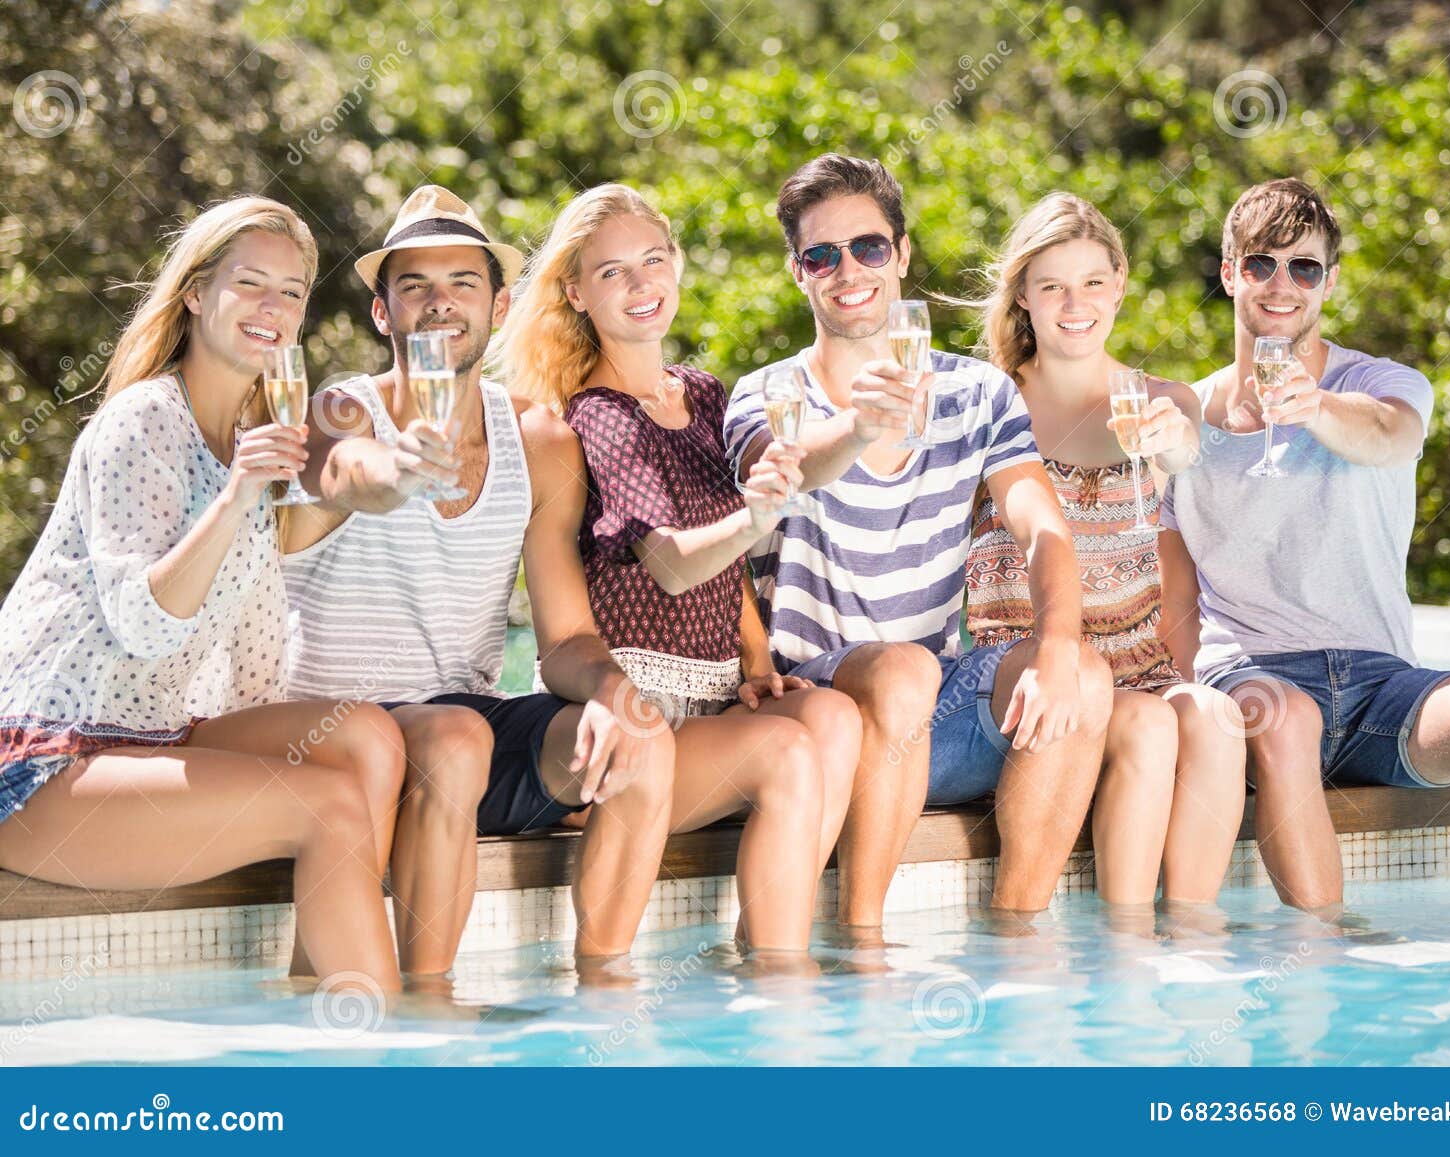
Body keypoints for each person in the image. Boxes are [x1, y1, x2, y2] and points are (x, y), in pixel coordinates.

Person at [0, 197, 405, 991]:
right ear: (194, 291)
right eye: (249, 283)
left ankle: (323, 1006)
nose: (272, 307)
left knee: (370, 740)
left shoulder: (250, 436)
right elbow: (145, 626)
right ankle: (386, 1039)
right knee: (326, 805)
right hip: (42, 763)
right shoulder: (141, 422)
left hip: (152, 738)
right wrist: (236, 495)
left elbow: (254, 650)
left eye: (291, 292)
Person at [282, 186, 676, 969]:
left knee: (642, 730)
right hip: (334, 736)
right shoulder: (341, 413)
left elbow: (565, 637)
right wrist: (394, 472)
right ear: (382, 314)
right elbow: (345, 472)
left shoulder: (537, 437)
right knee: (455, 739)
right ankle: (432, 1009)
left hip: (465, 726)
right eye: (415, 286)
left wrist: (610, 692)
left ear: (498, 307)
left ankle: (604, 992)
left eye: (463, 282)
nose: (440, 302)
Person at [724, 154, 1114, 930]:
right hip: (814, 709)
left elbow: (1043, 528)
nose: (849, 270)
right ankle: (862, 942)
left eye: (869, 247)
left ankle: (1016, 938)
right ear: (798, 272)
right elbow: (784, 473)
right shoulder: (767, 394)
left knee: (1084, 672)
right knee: (903, 669)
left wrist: (1057, 647)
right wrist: (859, 426)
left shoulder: (978, 393)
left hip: (934, 718)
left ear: (900, 254)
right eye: (822, 255)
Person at [1158, 177, 1450, 911]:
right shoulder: (1188, 421)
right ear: (1229, 273)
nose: (1282, 285)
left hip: (1381, 687)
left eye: (1304, 267)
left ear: (1330, 281)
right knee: (1289, 719)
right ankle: (1326, 954)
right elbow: (1175, 593)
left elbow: (1390, 434)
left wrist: (1313, 406)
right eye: (1261, 264)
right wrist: (1192, 708)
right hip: (1254, 682)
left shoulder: (1379, 382)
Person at [490, 184, 862, 952]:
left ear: (677, 265)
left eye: (653, 260)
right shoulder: (593, 415)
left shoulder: (702, 393)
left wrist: (758, 661)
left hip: (715, 701)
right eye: (613, 272)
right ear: (576, 293)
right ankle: (778, 974)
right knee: (790, 753)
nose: (641, 283)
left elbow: (726, 575)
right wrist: (757, 515)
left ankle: (767, 951)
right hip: (633, 715)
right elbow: (671, 563)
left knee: (834, 717)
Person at [961, 192, 1246, 906]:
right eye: (1052, 286)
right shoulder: (987, 403)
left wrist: (1169, 442)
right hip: (1034, 668)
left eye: (1093, 281)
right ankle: (1127, 942)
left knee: (1215, 717)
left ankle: (1194, 933)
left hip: (1141, 666)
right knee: (1147, 725)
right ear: (1023, 296)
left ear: (1119, 283)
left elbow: (1181, 448)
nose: (1075, 304)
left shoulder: (1161, 400)